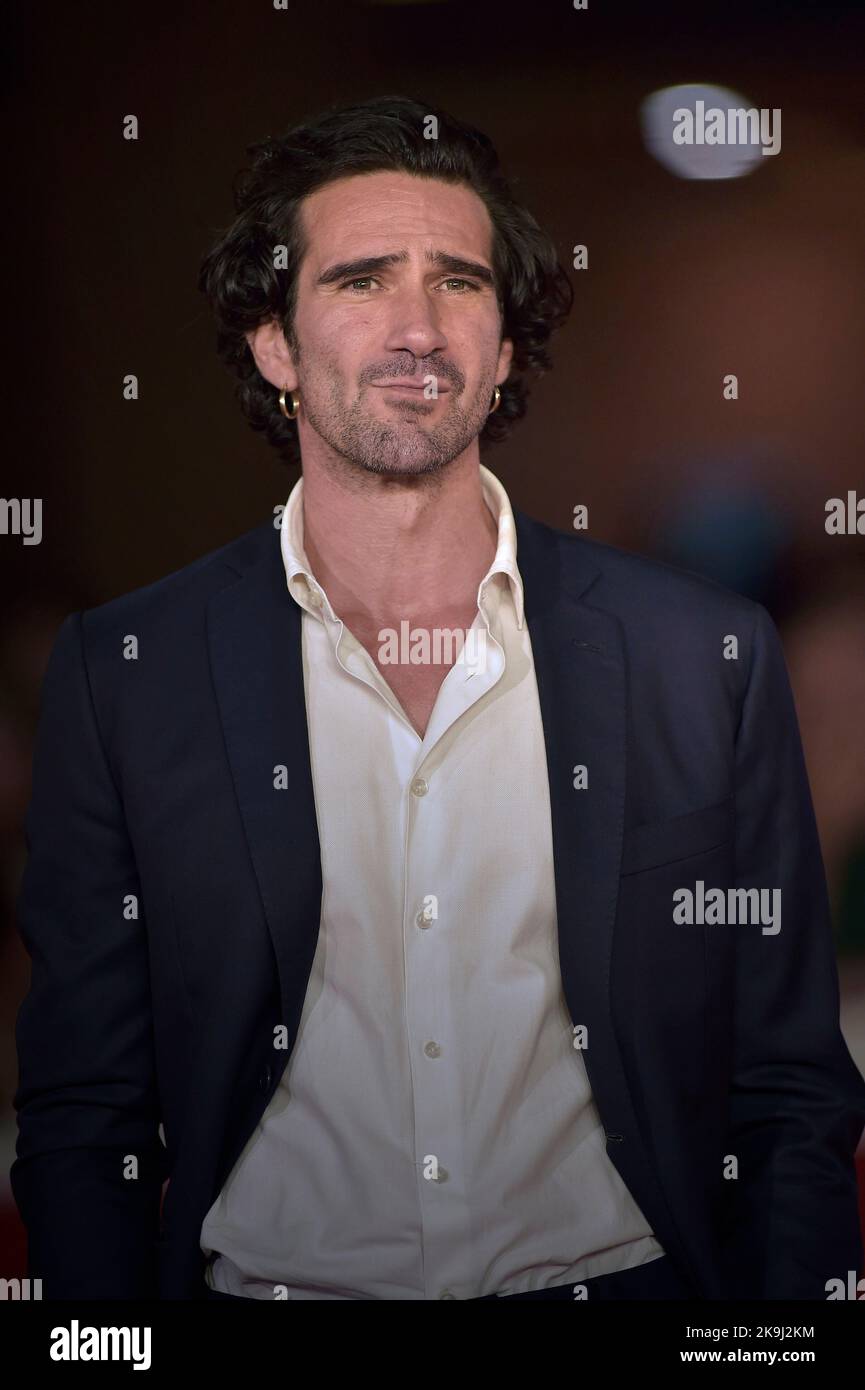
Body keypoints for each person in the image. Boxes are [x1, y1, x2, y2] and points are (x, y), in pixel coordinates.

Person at [12, 95, 865, 1302]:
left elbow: (786, 1086)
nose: (418, 325)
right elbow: (83, 1106)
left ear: (505, 344)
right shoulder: (129, 672)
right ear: (273, 342)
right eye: (362, 278)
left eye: (458, 281)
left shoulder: (699, 655)